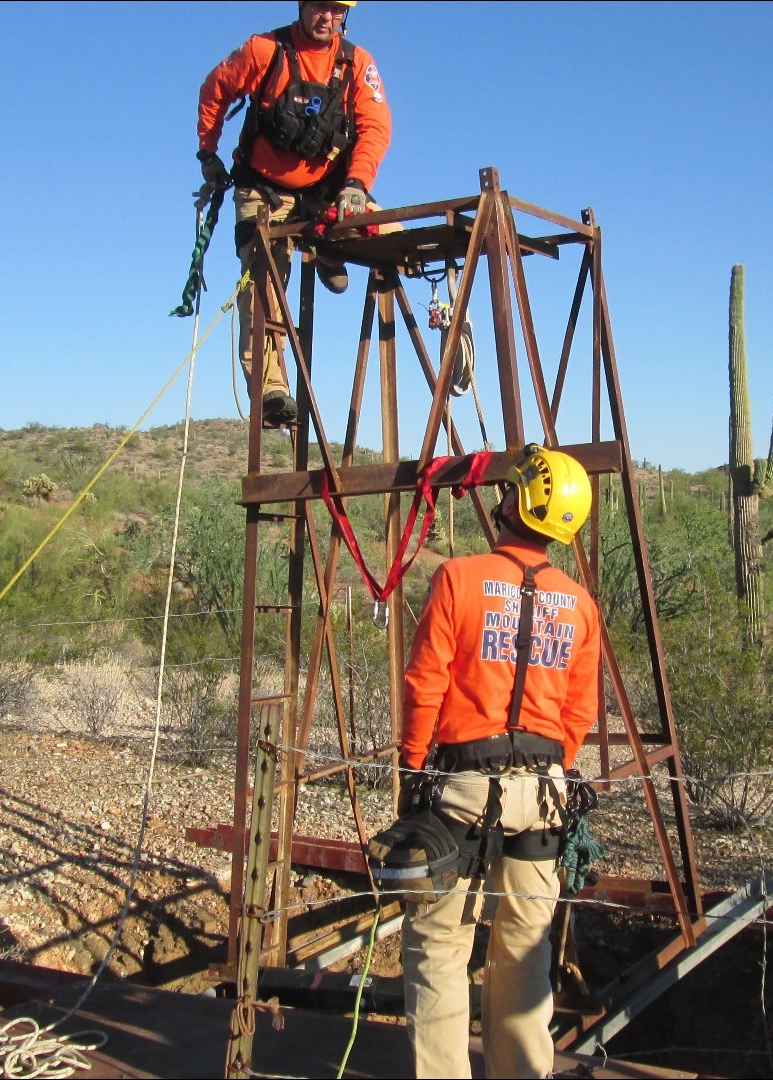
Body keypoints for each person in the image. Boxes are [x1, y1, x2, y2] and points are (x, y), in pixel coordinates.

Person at [399, 445, 601, 1079]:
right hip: (543, 797)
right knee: (524, 953)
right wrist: (548, 772)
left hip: (462, 787)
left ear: (516, 501)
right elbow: (579, 714)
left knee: (439, 949)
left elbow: (424, 683)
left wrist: (413, 769)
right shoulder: (581, 606)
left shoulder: (458, 578)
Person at [195, 0, 392, 429]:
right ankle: (271, 390)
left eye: (337, 11)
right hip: (264, 191)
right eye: (320, 7)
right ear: (302, 6)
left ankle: (330, 250)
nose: (328, 17)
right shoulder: (264, 50)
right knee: (263, 281)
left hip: (329, 193)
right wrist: (208, 153)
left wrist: (357, 183)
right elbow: (215, 89)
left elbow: (376, 126)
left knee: (391, 232)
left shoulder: (357, 63)